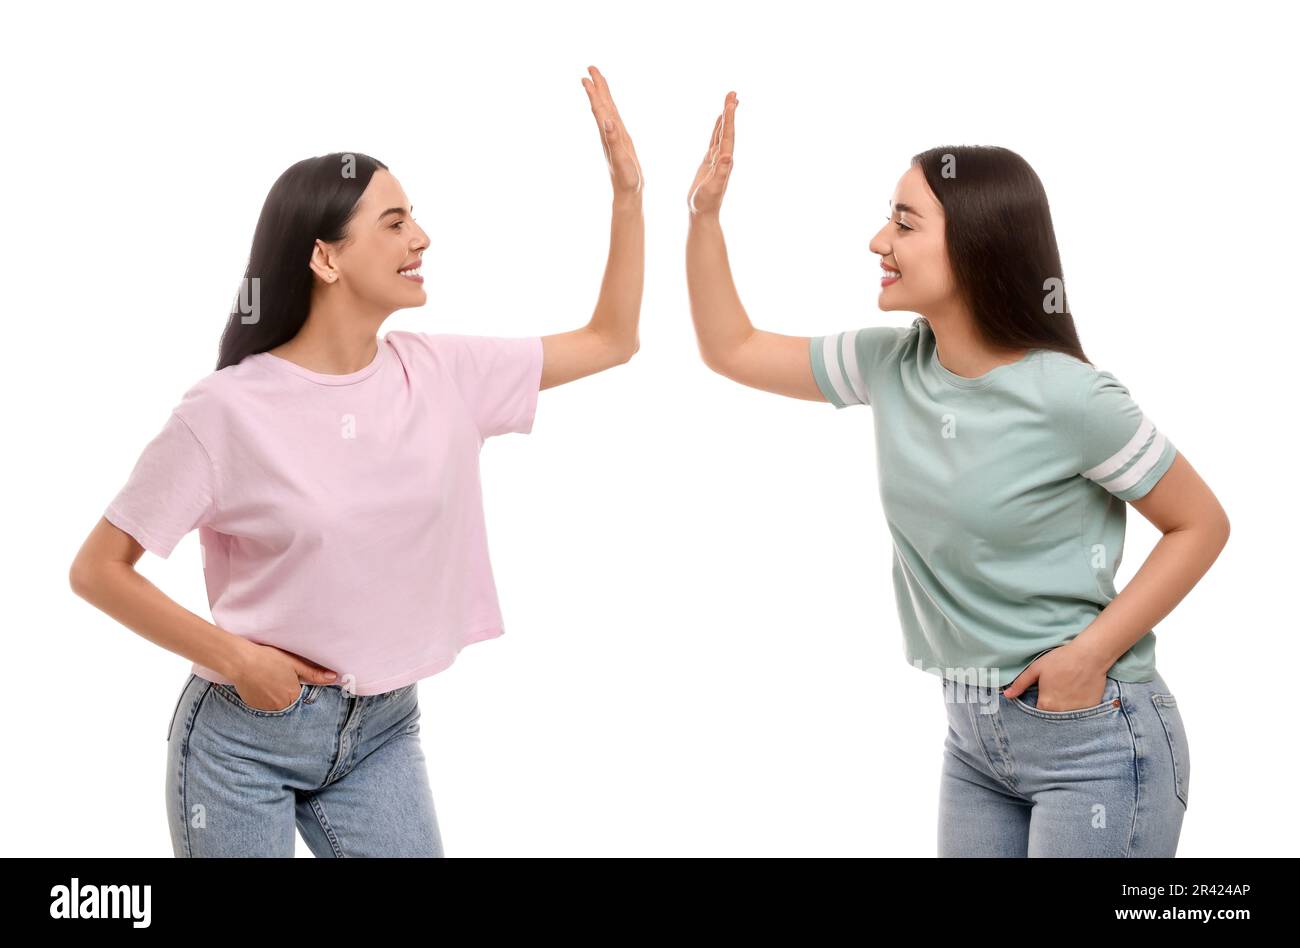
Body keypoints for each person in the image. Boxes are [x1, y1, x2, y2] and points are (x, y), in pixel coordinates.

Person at [68, 65, 644, 857]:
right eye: (395, 221)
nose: (422, 238)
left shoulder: (442, 373)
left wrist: (626, 195)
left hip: (381, 730)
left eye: (415, 220)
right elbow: (98, 569)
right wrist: (237, 659)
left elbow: (612, 338)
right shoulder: (227, 410)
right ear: (327, 260)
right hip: (245, 738)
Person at [684, 92, 1228, 856]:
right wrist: (703, 216)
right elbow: (731, 347)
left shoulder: (1071, 397)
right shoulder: (891, 365)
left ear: (977, 244)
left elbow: (1200, 524)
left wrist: (1089, 655)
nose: (880, 239)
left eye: (906, 223)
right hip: (972, 738)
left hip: (1094, 739)